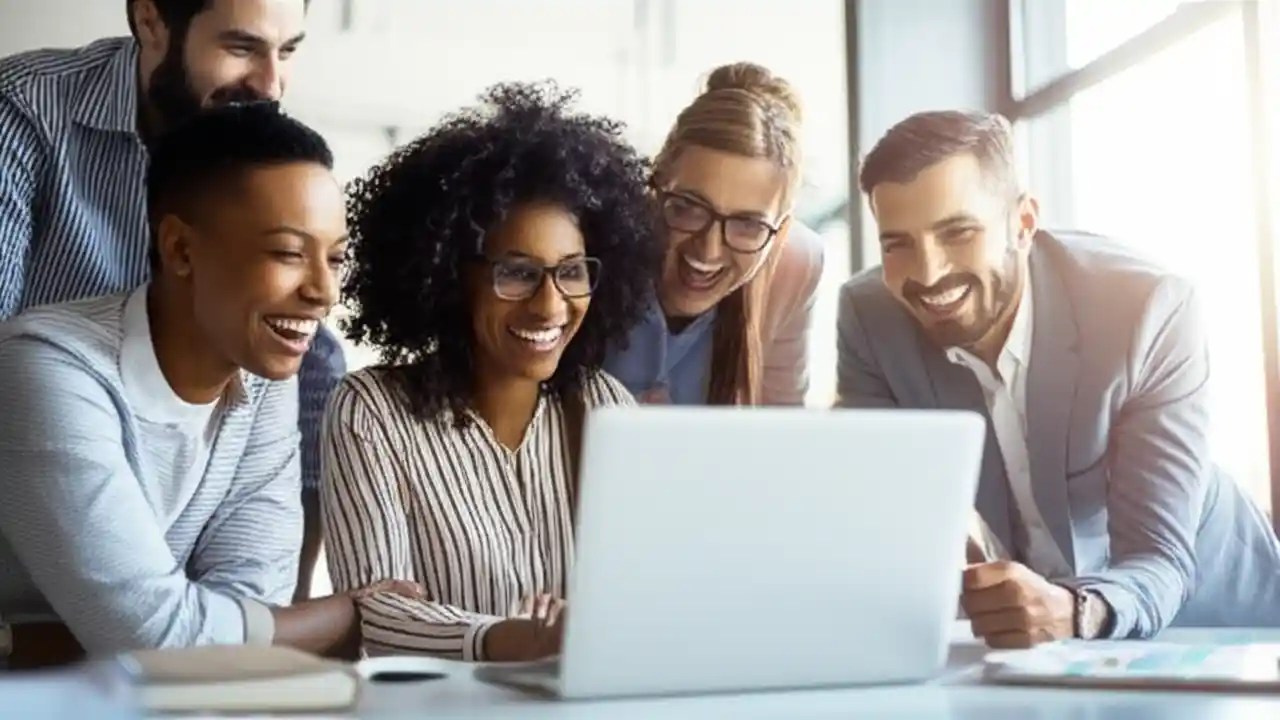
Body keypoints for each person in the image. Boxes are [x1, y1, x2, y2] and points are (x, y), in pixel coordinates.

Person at [837, 110, 1280, 646]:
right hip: (1049, 644)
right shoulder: (871, 318)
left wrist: (1073, 609)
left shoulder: (1146, 309)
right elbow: (892, 517)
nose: (927, 273)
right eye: (897, 243)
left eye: (958, 232)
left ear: (1023, 224)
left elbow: (1158, 559)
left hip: (1222, 626)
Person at [0, 102, 415, 670]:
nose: (323, 291)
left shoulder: (262, 372)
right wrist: (348, 615)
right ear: (180, 250)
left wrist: (85, 640)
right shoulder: (45, 370)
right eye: (289, 253)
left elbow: (248, 606)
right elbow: (159, 639)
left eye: (336, 258)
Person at [0, 0, 339, 601]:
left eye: (287, 52)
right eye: (241, 48)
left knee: (313, 358)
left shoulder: (247, 129)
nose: (270, 86)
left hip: (175, 442)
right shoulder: (25, 109)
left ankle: (263, 616)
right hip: (49, 416)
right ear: (150, 20)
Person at [321, 82, 659, 662]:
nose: (551, 306)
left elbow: (652, 588)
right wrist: (511, 639)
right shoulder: (370, 411)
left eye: (572, 272)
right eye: (518, 273)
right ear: (451, 277)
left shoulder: (605, 406)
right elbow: (375, 614)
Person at [603, 62, 824, 406]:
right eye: (689, 207)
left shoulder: (795, 265)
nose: (708, 251)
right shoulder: (596, 243)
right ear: (655, 185)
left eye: (748, 224)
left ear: (780, 233)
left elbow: (779, 428)